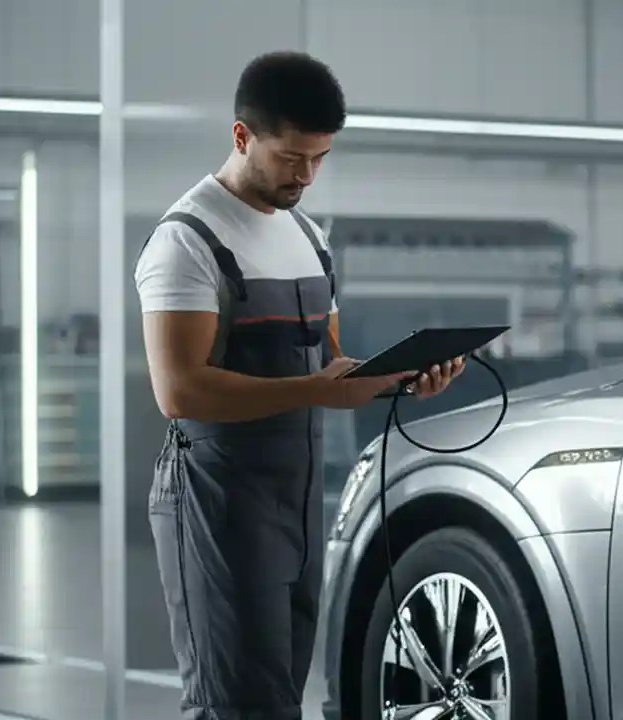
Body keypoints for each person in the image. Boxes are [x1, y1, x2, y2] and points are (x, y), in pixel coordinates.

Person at [134, 51, 465, 719]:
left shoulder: (308, 236)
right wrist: (318, 391)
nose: (306, 175)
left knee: (281, 696)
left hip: (297, 494)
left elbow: (332, 361)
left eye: (320, 158)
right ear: (241, 136)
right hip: (217, 498)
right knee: (232, 702)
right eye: (291, 158)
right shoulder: (188, 240)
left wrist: (399, 381)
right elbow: (179, 391)